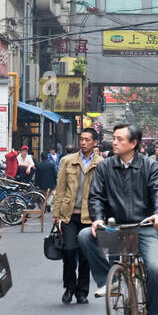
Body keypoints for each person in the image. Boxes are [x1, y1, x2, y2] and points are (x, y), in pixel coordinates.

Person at [80, 122, 158, 315]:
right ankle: (107, 281)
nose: (115, 142)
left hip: (144, 226)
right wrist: (97, 219)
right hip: (115, 227)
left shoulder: (149, 166)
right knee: (84, 236)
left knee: (155, 269)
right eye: (114, 138)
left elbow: (157, 192)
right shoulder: (105, 166)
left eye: (120, 139)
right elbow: (96, 196)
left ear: (134, 143)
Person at [52, 127, 101, 304]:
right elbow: (60, 188)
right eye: (81, 139)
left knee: (86, 256)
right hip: (69, 214)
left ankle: (82, 292)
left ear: (95, 142)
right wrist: (56, 213)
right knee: (69, 251)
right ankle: (69, 287)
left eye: (87, 139)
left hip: (90, 216)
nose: (83, 142)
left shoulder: (102, 163)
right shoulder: (67, 161)